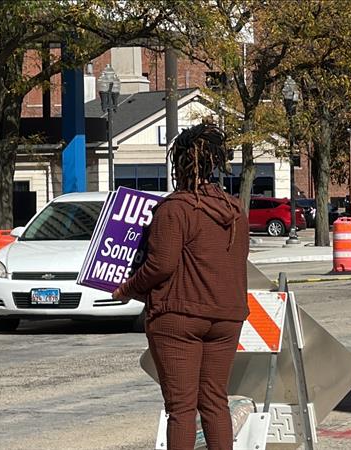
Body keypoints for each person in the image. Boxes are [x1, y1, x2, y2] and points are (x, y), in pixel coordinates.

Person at [113, 123, 249, 450]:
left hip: (179, 316)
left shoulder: (174, 209)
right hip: (227, 317)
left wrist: (126, 289)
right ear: (215, 163)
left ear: (180, 164)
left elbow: (161, 265)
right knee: (216, 402)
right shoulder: (235, 211)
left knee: (181, 408)